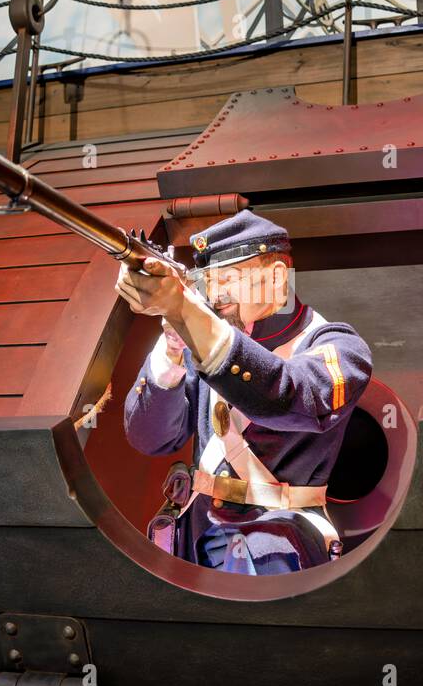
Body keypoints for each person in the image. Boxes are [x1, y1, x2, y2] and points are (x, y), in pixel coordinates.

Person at [117, 210, 372, 575]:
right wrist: (172, 345)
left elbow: (283, 394)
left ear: (277, 277)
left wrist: (189, 316)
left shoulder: (338, 346)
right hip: (194, 535)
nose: (214, 294)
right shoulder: (203, 343)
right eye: (207, 280)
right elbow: (151, 439)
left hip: (280, 547)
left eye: (229, 278)